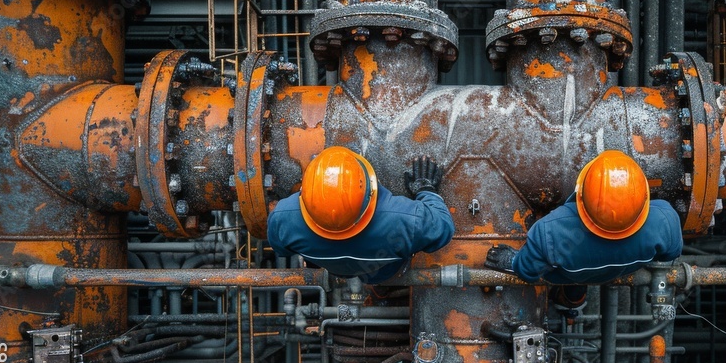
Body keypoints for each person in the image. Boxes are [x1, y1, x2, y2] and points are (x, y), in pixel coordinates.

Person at [485, 150, 682, 284]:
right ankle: (574, 298)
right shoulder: (666, 223)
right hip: (617, 272)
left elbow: (527, 271)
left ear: (581, 194)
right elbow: (670, 254)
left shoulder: (549, 233)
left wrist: (514, 262)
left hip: (569, 276)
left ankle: (571, 296)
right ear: (644, 197)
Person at [268, 147, 454, 283]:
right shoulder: (404, 220)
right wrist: (426, 189)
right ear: (369, 190)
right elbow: (443, 228)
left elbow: (282, 249)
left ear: (304, 191)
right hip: (382, 272)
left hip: (335, 269)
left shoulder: (282, 221)